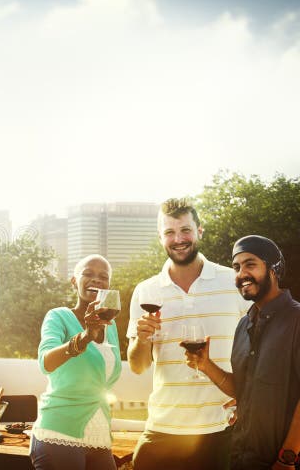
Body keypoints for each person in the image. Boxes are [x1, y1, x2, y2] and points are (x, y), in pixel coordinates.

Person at [126, 198, 249, 470]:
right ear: (160, 237)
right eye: (169, 232)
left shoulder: (233, 282)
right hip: (163, 426)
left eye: (185, 230)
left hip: (221, 428)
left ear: (199, 231)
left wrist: (248, 395)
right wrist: (142, 339)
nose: (178, 239)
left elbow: (260, 348)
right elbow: (137, 365)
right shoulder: (145, 291)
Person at [185, 235, 300, 470]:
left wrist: (288, 456)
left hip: (283, 461)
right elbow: (242, 389)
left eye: (250, 264)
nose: (241, 274)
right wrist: (206, 365)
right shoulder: (243, 325)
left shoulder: (297, 319)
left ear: (273, 269)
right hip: (241, 457)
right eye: (236, 267)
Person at [30, 255, 121, 470]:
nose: (96, 280)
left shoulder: (111, 326)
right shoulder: (58, 317)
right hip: (59, 433)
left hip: (99, 435)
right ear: (74, 281)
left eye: (103, 277)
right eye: (88, 274)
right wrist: (86, 336)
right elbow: (46, 363)